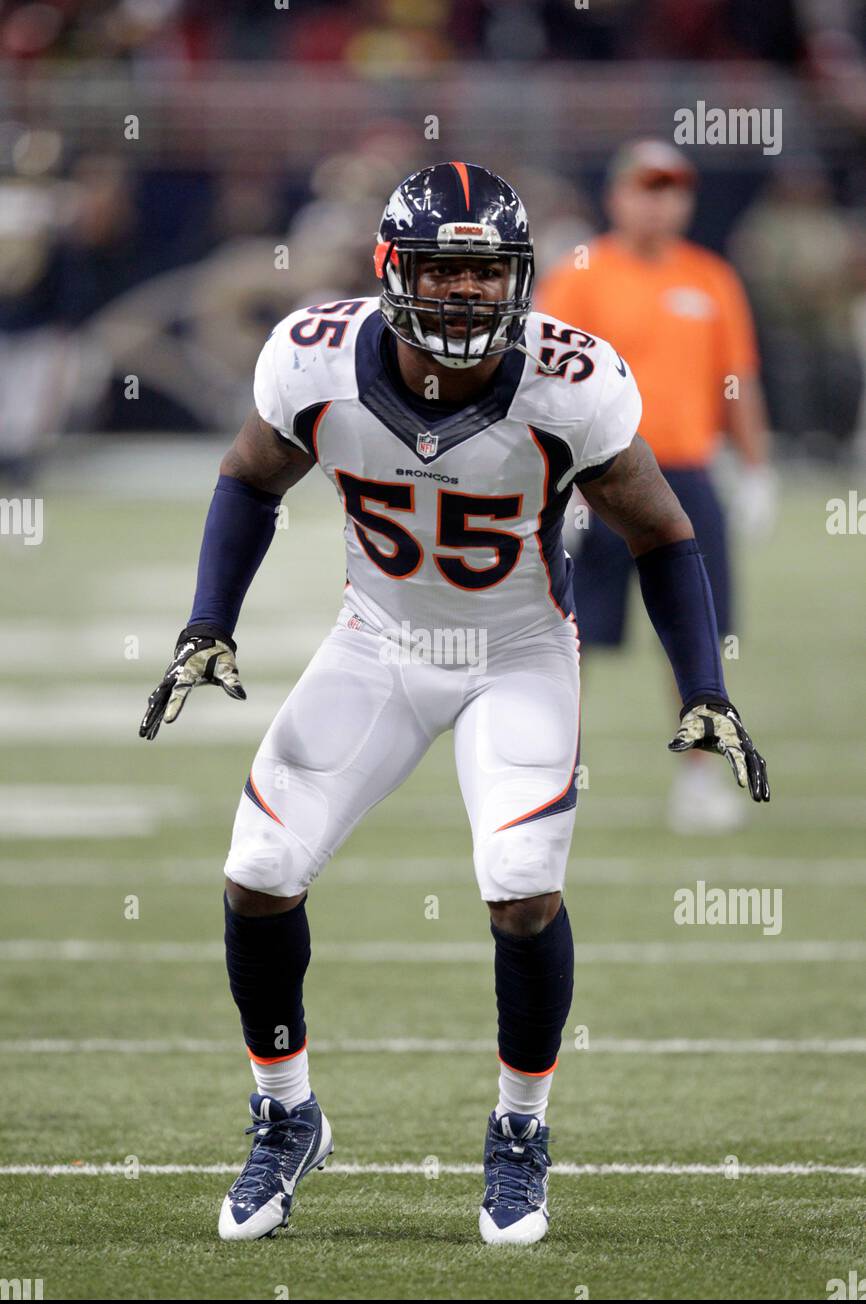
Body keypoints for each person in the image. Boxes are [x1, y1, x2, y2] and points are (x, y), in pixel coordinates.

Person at [140, 162, 769, 1247]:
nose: (470, 294)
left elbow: (664, 534)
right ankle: (287, 1115)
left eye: (488, 273)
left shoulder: (567, 382)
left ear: (517, 278)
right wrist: (210, 619)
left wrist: (704, 685)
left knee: (520, 886)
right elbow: (248, 479)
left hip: (515, 651)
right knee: (256, 871)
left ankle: (518, 1130)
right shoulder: (315, 360)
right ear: (394, 268)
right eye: (445, 269)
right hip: (375, 644)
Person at [536, 140, 776, 832]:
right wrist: (558, 478)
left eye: (672, 188)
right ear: (617, 196)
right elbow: (544, 382)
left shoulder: (711, 278)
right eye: (646, 187)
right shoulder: (581, 275)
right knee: (567, 637)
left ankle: (699, 778)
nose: (659, 201)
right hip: (597, 475)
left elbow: (739, 383)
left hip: (687, 476)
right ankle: (547, 778)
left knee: (694, 637)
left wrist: (756, 468)